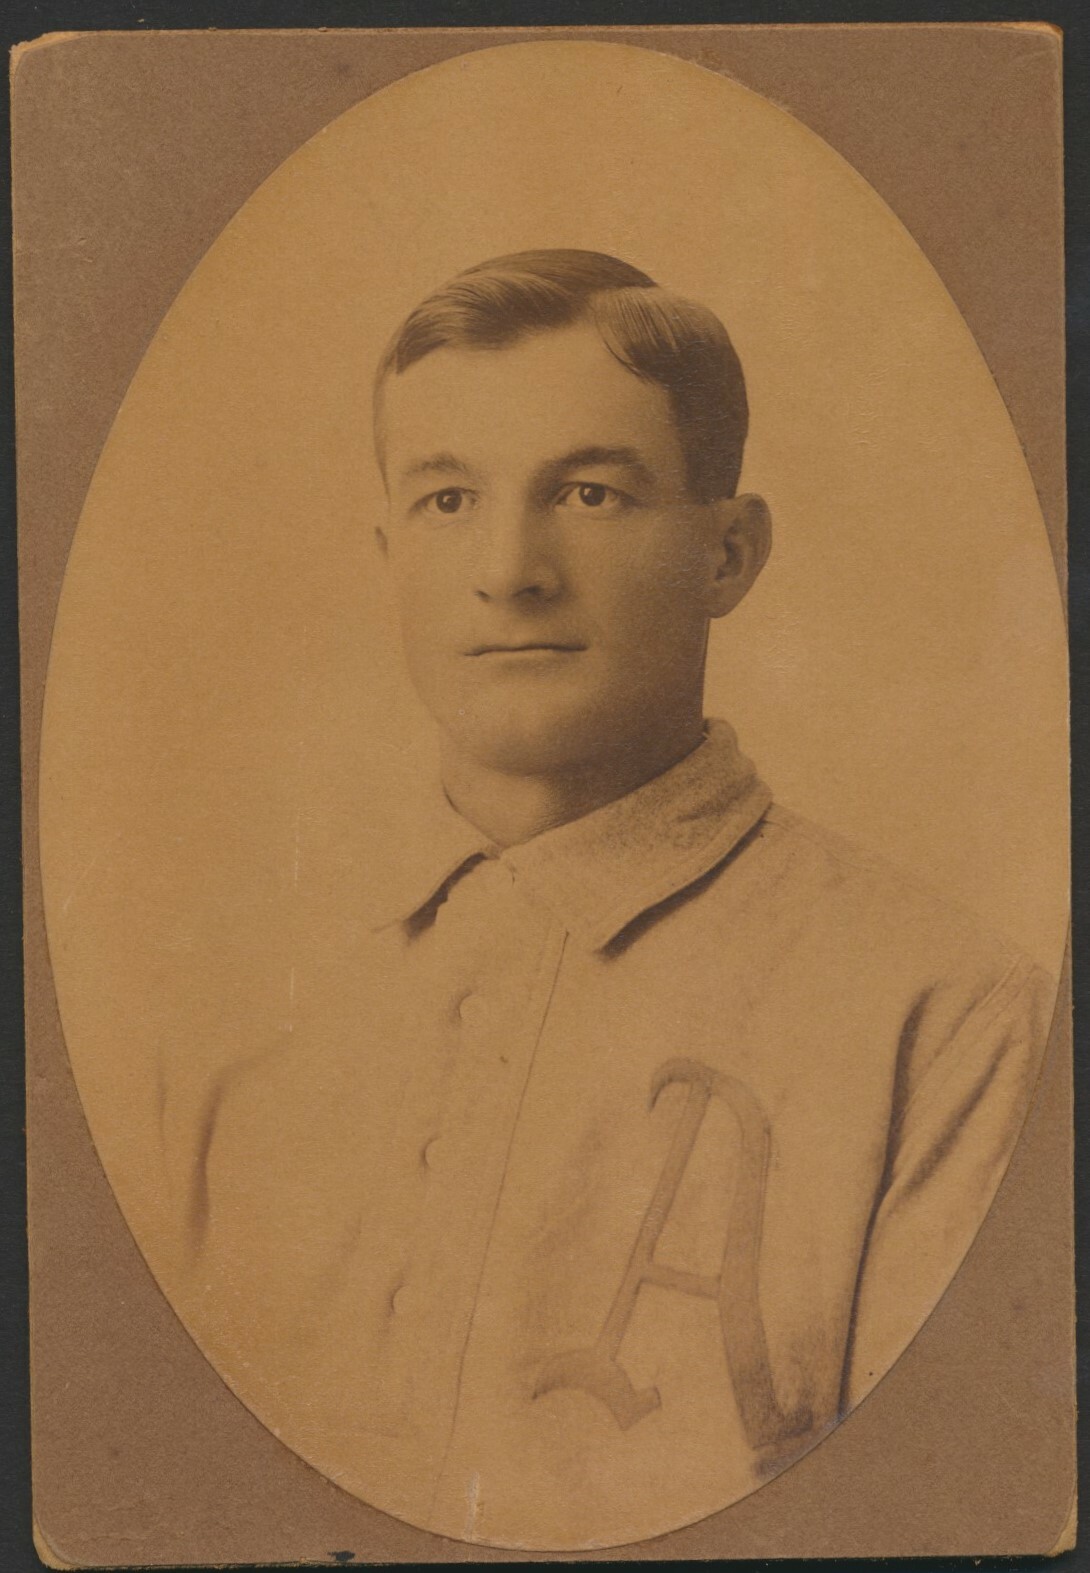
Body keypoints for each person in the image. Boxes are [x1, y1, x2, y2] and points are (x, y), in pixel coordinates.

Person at [189, 250, 1053, 1549]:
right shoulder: (237, 1020)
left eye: (588, 492)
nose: (508, 569)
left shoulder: (943, 1018)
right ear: (386, 554)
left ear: (728, 551)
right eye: (444, 499)